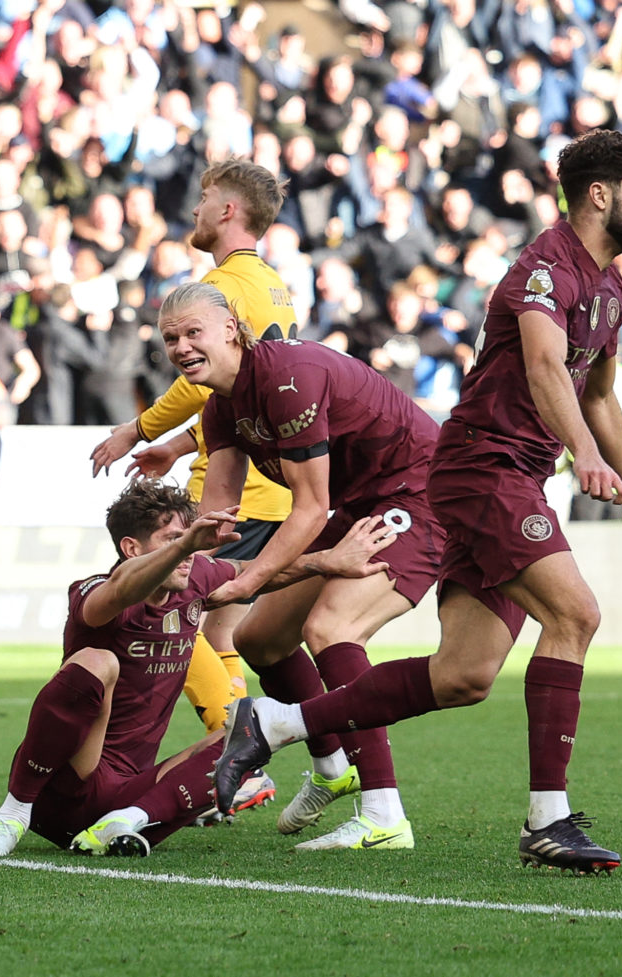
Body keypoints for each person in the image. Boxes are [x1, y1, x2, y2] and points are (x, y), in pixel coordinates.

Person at [213, 130, 622, 874]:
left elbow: (602, 395)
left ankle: (275, 721)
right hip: (482, 468)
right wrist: (582, 453)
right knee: (576, 614)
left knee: (465, 674)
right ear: (600, 193)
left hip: (514, 473)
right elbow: (547, 364)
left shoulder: (610, 287)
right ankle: (547, 820)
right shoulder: (546, 270)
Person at [154, 280, 442, 850]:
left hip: (423, 490)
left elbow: (309, 510)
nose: (182, 347)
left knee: (330, 628)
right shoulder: (221, 409)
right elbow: (217, 518)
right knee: (260, 639)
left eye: (194, 332)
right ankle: (335, 768)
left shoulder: (289, 378)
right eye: (170, 338)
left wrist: (250, 580)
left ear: (232, 329)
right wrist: (173, 570)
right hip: (364, 501)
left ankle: (385, 815)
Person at [0, 478, 396, 859]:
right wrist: (186, 544)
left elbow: (251, 572)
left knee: (251, 728)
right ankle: (13, 813)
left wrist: (325, 561)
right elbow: (118, 590)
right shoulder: (97, 590)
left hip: (126, 794)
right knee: (97, 662)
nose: (188, 550)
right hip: (61, 788)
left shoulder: (193, 580)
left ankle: (129, 822)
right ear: (131, 549)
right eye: (172, 539)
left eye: (189, 537)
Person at [89, 158, 319, 814]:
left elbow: (200, 382)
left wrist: (135, 428)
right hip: (269, 482)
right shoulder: (274, 285)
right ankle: (276, 757)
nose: (194, 211)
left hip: (230, 490)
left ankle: (239, 757)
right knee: (223, 637)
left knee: (159, 611)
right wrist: (173, 443)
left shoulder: (221, 287)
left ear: (227, 212)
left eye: (203, 200)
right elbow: (244, 396)